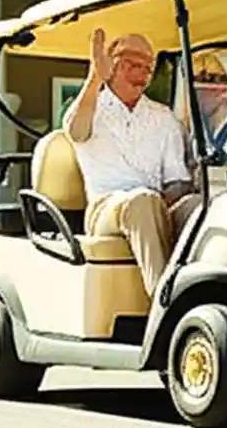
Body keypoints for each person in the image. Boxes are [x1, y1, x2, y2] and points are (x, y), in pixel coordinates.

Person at [61, 28, 197, 297]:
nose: (142, 75)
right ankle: (164, 304)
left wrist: (174, 204)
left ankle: (208, 295)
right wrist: (95, 78)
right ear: (111, 66)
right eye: (133, 65)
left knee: (199, 206)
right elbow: (75, 131)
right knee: (142, 201)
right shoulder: (90, 106)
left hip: (154, 205)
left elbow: (177, 182)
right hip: (105, 210)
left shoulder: (163, 118)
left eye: (148, 68)